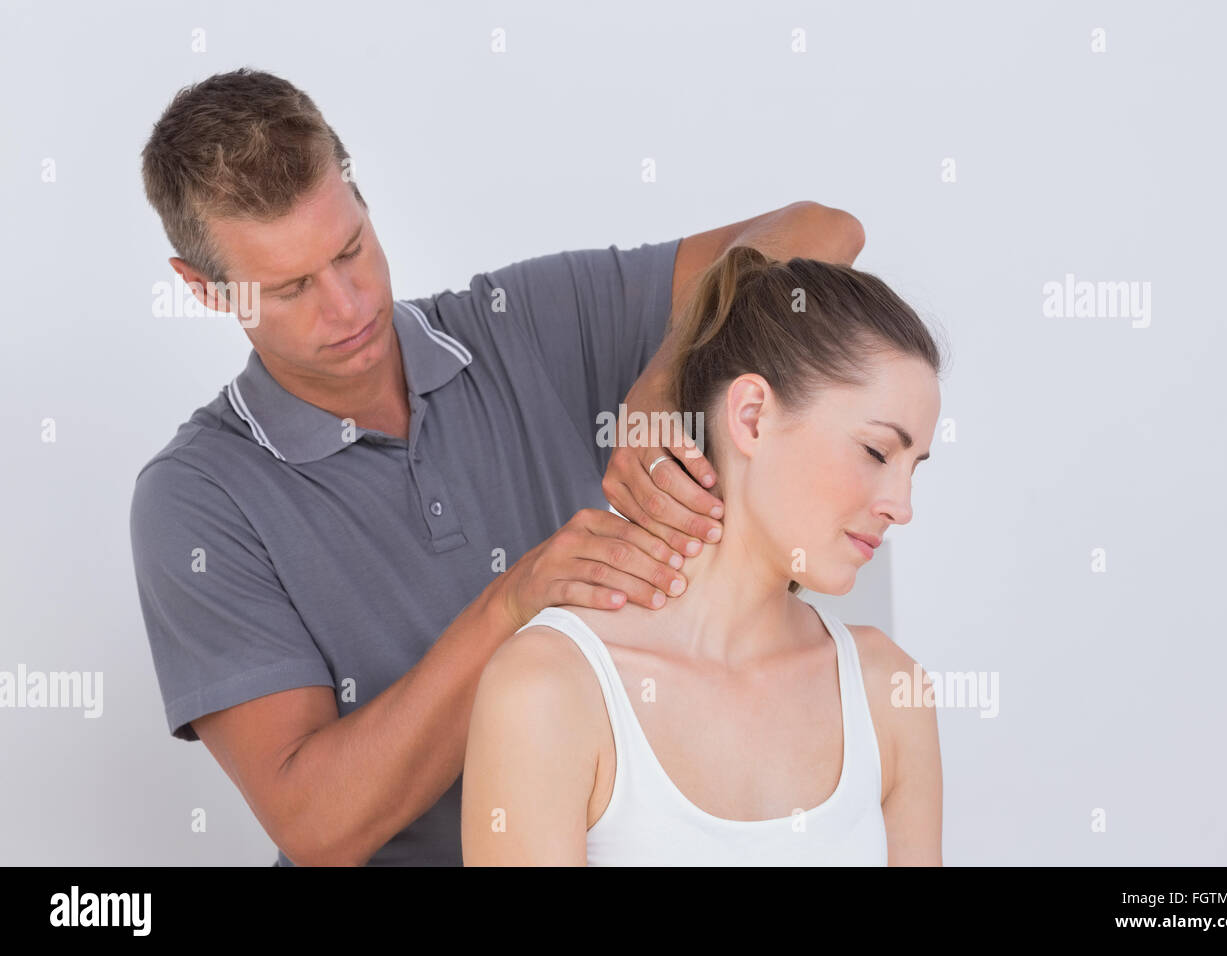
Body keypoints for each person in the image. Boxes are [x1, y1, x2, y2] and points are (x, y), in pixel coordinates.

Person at [127, 67, 866, 866]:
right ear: (203, 291)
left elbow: (824, 232)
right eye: (292, 288)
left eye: (351, 250)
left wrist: (667, 372)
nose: (347, 306)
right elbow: (318, 827)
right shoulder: (196, 500)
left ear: (362, 201)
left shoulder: (522, 325)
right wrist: (512, 601)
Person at [462, 245, 945, 865]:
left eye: (914, 468)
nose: (901, 507)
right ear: (750, 417)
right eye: (878, 453)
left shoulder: (889, 690)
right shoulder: (552, 689)